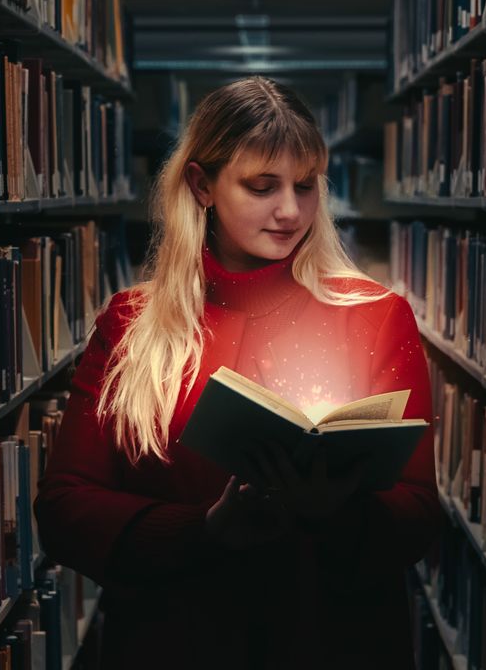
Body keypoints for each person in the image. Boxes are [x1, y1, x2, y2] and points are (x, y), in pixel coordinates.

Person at [35, 77, 440, 669]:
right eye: (261, 186)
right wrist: (205, 529)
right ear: (202, 185)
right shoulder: (131, 323)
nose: (290, 210)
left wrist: (335, 514)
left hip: (330, 637)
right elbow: (64, 510)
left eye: (306, 187)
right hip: (176, 640)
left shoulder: (376, 315)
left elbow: (420, 515)